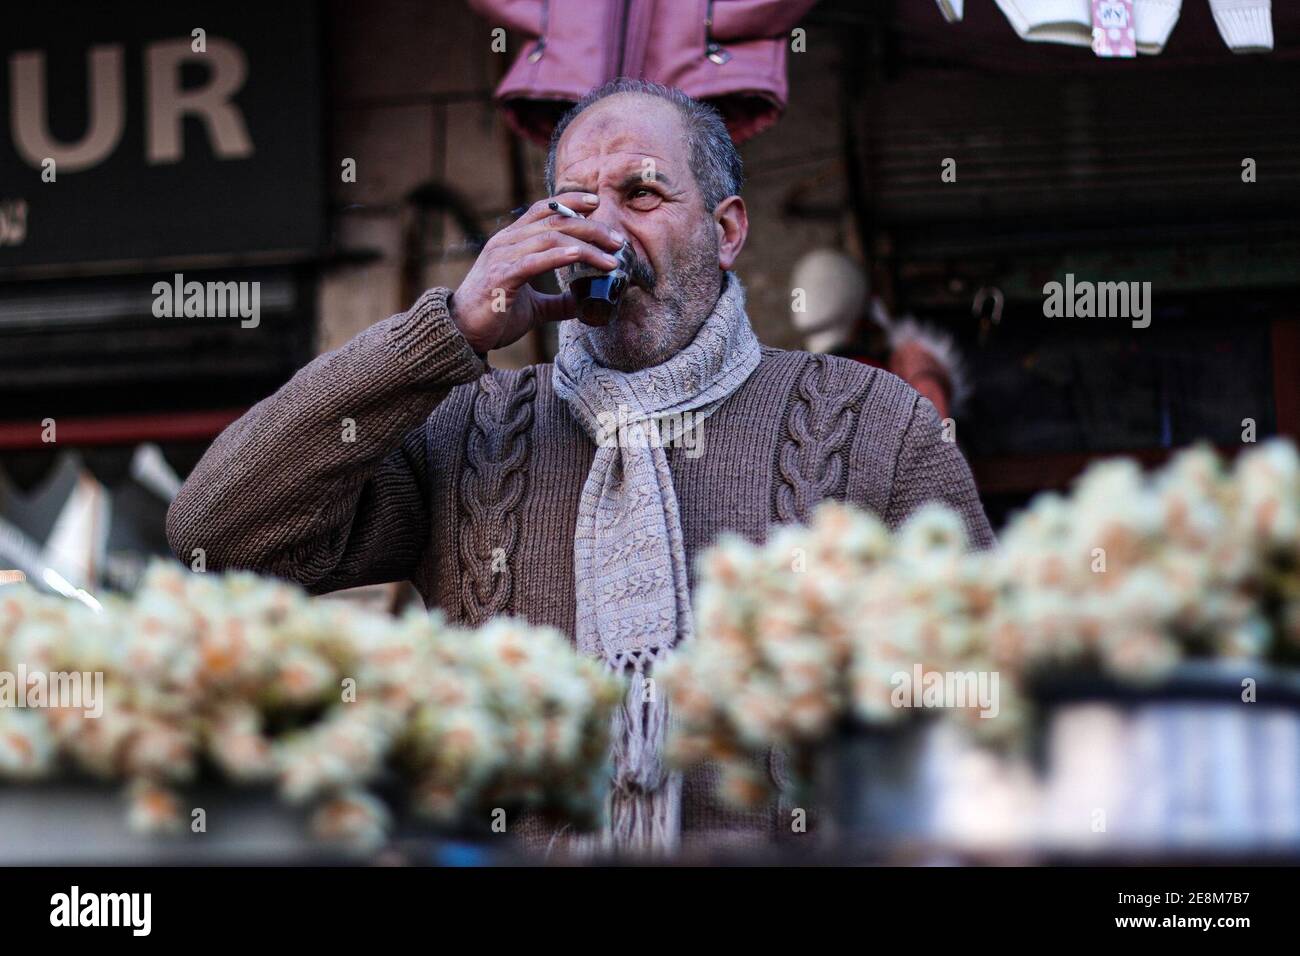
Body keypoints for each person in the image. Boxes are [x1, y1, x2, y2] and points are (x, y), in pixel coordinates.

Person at [167, 78, 994, 857]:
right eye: (574, 204)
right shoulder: (471, 423)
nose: (602, 231)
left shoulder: (873, 420)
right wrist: (447, 330)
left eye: (641, 195)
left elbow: (988, 693)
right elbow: (216, 530)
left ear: (728, 230)